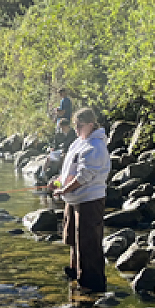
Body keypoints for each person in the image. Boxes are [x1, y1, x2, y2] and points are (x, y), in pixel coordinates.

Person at [52, 108, 111, 293]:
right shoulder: (79, 142)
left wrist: (64, 190)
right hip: (74, 198)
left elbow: (84, 176)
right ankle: (76, 273)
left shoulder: (96, 146)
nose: (76, 129)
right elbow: (70, 169)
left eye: (79, 126)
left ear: (90, 125)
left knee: (88, 242)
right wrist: (59, 182)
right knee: (72, 237)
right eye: (75, 125)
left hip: (89, 200)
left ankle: (92, 284)